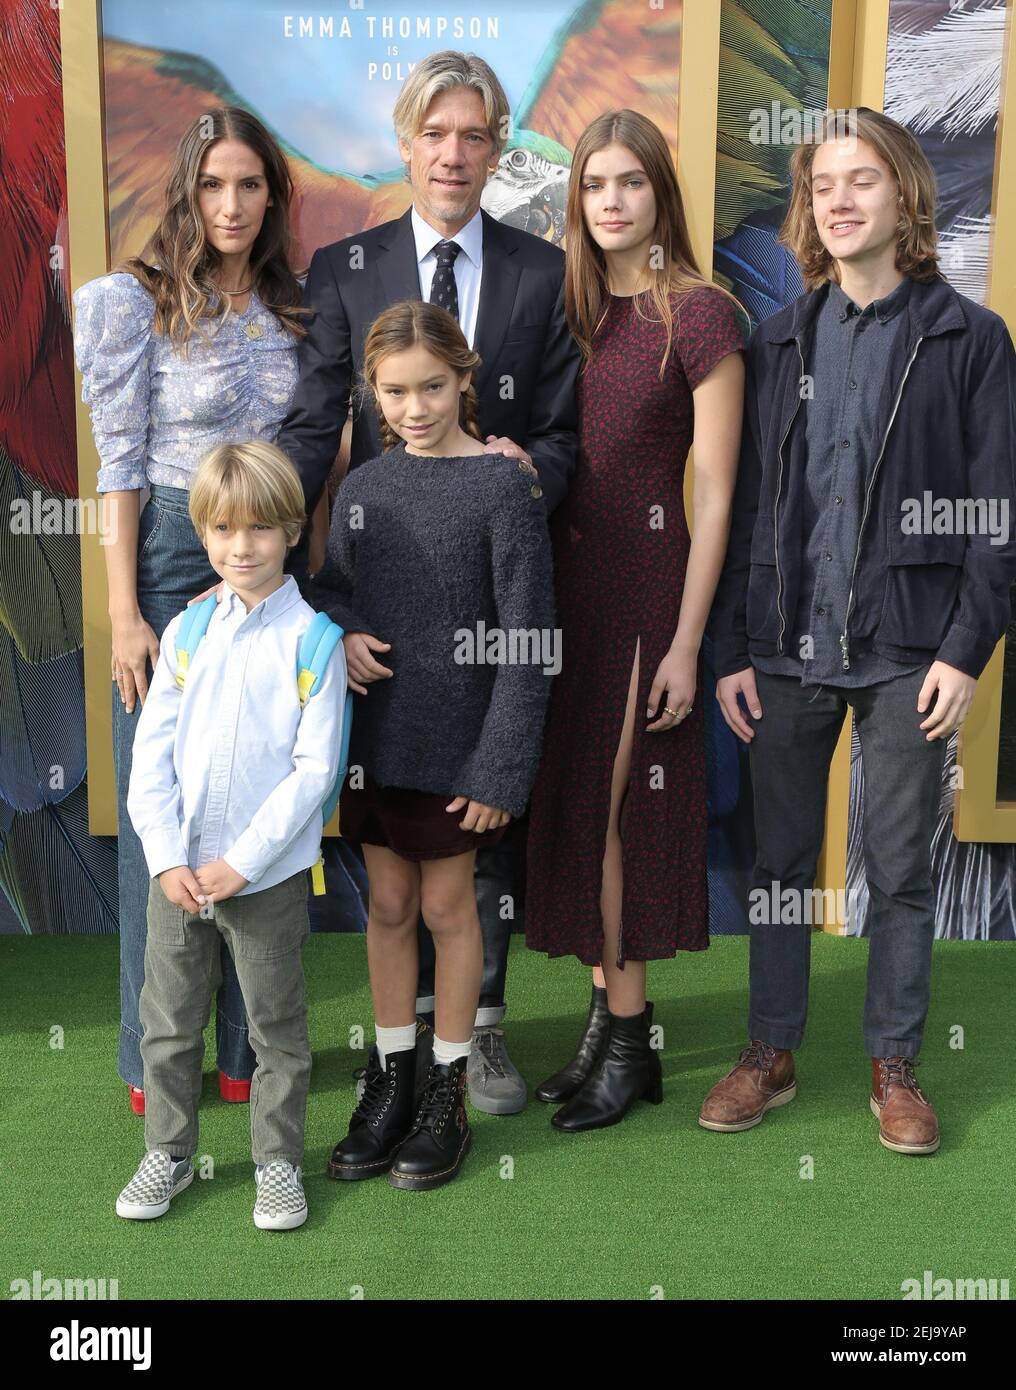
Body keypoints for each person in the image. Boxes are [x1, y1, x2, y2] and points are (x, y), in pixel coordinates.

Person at [703, 108, 1016, 1154]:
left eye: (860, 181)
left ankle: (894, 1064)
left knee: (896, 864)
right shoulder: (778, 336)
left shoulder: (967, 339)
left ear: (906, 198)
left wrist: (963, 651)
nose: (836, 200)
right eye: (821, 184)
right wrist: (731, 652)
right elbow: (743, 508)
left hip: (906, 655)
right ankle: (770, 1052)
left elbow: (991, 515)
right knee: (781, 867)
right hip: (785, 653)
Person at [275, 50, 580, 1113]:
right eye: (434, 133)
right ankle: (401, 1052)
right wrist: (273, 557)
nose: (454, 154)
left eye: (475, 134)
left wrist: (524, 473)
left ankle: (476, 1033)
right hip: (385, 591)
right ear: (405, 142)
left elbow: (559, 430)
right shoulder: (344, 269)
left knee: (476, 837)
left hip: (490, 579)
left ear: (498, 147)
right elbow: (318, 426)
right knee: (398, 873)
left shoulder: (542, 274)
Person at [71, 106, 308, 1114]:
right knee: (160, 812)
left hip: (270, 561)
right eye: (212, 185)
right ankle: (149, 1059)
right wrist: (125, 611)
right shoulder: (135, 301)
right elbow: (117, 464)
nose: (230, 204)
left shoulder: (296, 304)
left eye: (248, 184)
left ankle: (245, 1056)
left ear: (271, 195)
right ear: (184, 190)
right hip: (170, 557)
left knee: (254, 803)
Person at [524, 111, 747, 1131]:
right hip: (563, 594)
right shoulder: (564, 306)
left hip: (651, 589)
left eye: (629, 182)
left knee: (623, 811)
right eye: (592, 184)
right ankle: (607, 1028)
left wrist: (687, 640)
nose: (609, 201)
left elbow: (711, 492)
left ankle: (629, 1039)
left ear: (660, 192)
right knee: (578, 808)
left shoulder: (699, 315)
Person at [312, 300, 554, 1188]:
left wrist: (501, 765)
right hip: (378, 745)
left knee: (454, 912)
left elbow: (531, 640)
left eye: (432, 388)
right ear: (373, 393)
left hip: (462, 753)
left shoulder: (504, 486)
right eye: (395, 392)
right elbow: (330, 587)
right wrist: (337, 632)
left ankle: (447, 1088)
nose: (415, 408)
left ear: (465, 377)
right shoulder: (368, 487)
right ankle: (390, 1079)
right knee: (386, 908)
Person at [116, 441, 347, 1229]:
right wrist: (166, 858)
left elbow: (313, 775)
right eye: (219, 529)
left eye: (256, 529)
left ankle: (278, 1166)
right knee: (169, 1020)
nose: (238, 547)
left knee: (278, 1029)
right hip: (176, 878)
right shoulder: (185, 633)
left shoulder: (314, 642)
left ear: (289, 531)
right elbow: (152, 756)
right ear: (203, 535)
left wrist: (243, 864)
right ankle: (168, 1153)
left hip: (266, 883)